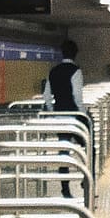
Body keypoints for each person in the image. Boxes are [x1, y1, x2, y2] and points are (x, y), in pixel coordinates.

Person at [43, 38, 84, 197]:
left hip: (59, 116)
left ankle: (65, 188)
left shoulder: (53, 71)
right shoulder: (76, 71)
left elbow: (46, 96)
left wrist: (53, 110)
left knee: (64, 151)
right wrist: (83, 114)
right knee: (89, 146)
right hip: (73, 116)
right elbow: (77, 97)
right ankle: (87, 178)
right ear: (75, 54)